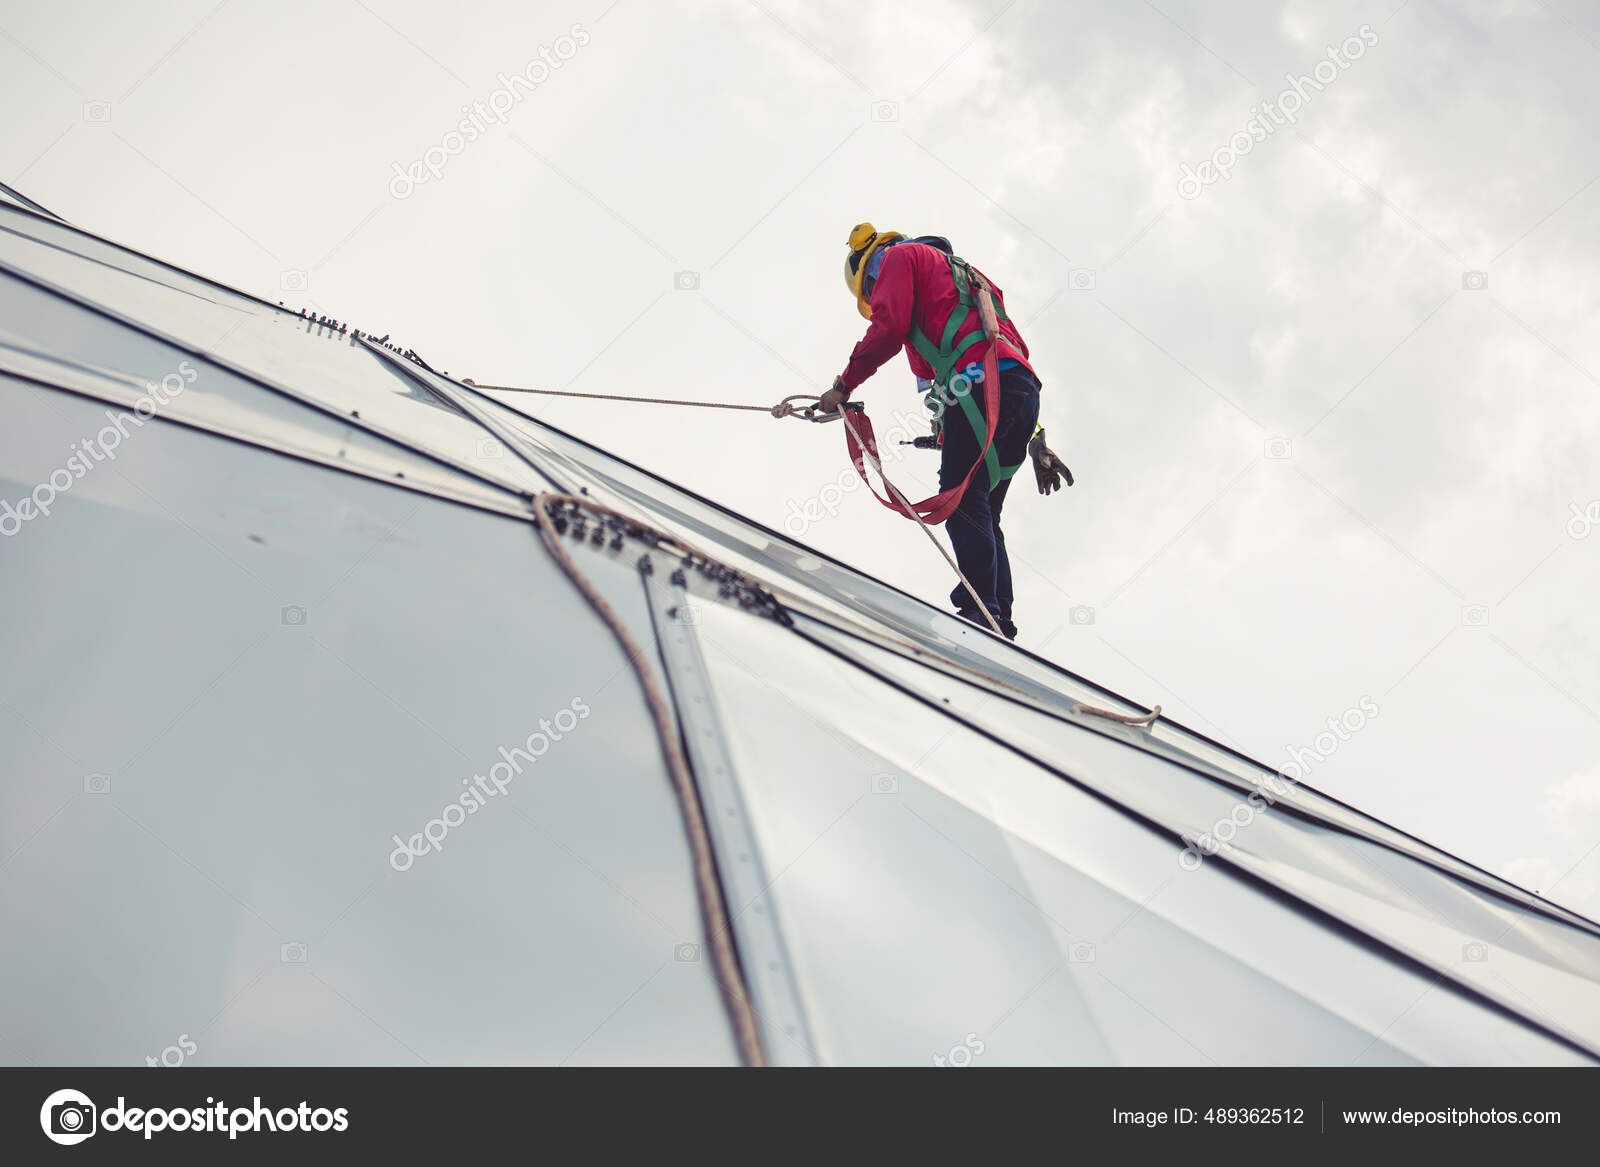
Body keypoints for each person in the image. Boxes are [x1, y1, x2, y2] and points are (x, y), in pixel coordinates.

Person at [815, 223, 1070, 640]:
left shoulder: (899, 258)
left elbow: (888, 327)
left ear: (870, 266)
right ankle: (997, 616)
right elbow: (993, 356)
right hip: (1017, 390)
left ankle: (980, 607)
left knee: (962, 498)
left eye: (873, 288)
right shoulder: (967, 279)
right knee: (984, 509)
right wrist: (1032, 435)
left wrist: (843, 386)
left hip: (979, 386)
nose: (878, 293)